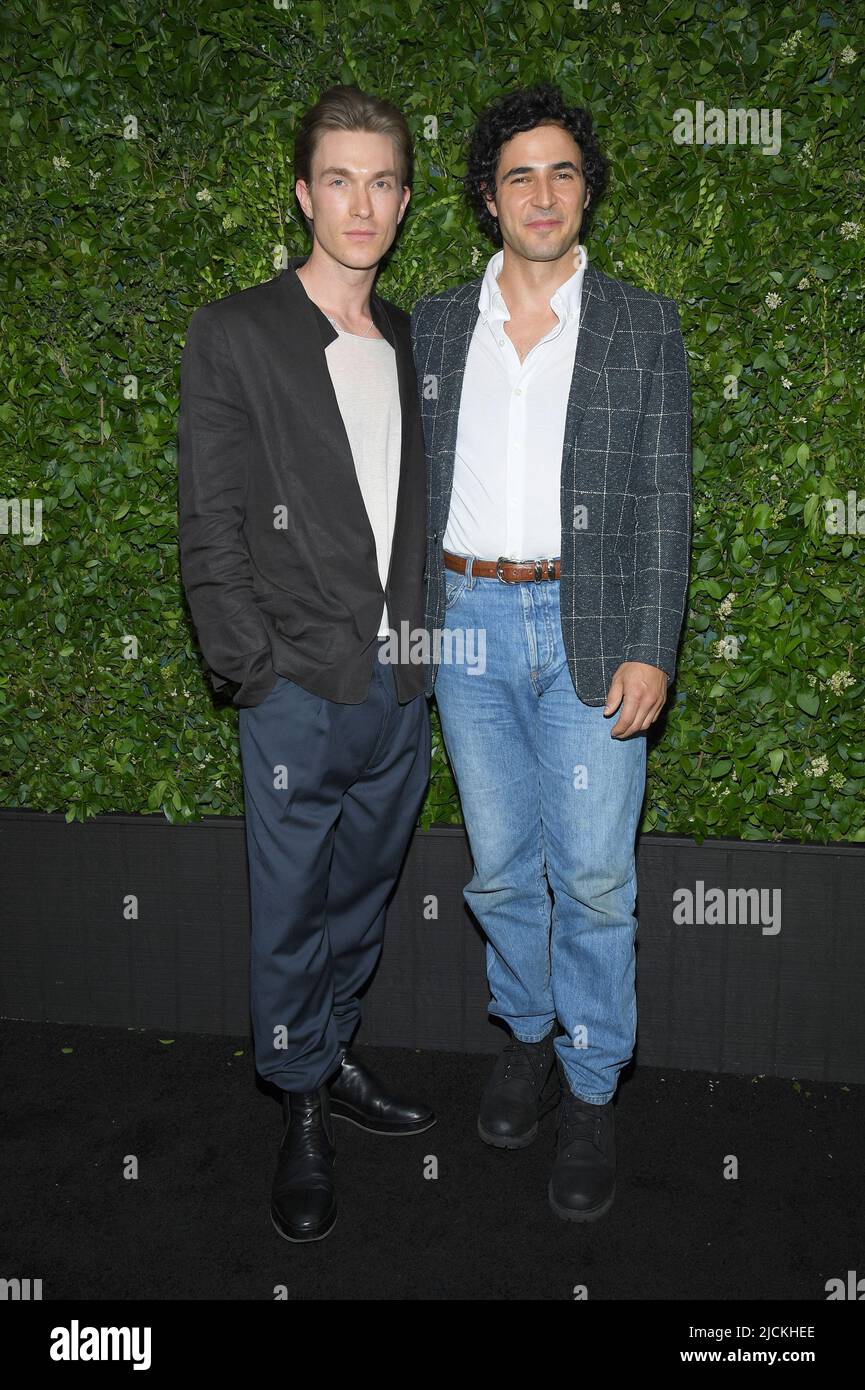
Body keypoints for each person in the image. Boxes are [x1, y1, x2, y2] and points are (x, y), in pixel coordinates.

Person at [411, 82, 692, 1222]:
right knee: (495, 868)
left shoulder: (640, 323)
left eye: (562, 170)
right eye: (518, 173)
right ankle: (523, 1036)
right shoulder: (428, 324)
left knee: (590, 876)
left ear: (586, 191)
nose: (542, 191)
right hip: (465, 627)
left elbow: (665, 499)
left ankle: (587, 1085)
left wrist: (651, 644)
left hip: (590, 630)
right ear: (488, 198)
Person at [178, 84, 434, 1244]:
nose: (362, 202)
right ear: (303, 192)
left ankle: (331, 1056)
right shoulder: (235, 331)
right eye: (340, 178)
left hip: (401, 692)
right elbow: (210, 526)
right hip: (295, 693)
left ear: (405, 197)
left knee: (359, 903)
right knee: (289, 912)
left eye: (383, 180)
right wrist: (253, 672)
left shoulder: (418, 339)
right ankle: (299, 1105)